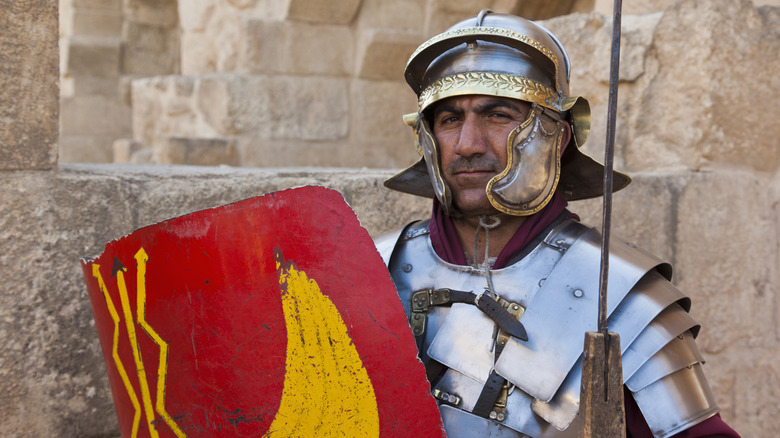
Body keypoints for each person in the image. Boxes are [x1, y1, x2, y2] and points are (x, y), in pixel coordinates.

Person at [374, 10, 740, 438]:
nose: (468, 144)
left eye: (498, 115)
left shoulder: (621, 296)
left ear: (559, 137)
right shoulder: (374, 271)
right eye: (450, 119)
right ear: (427, 138)